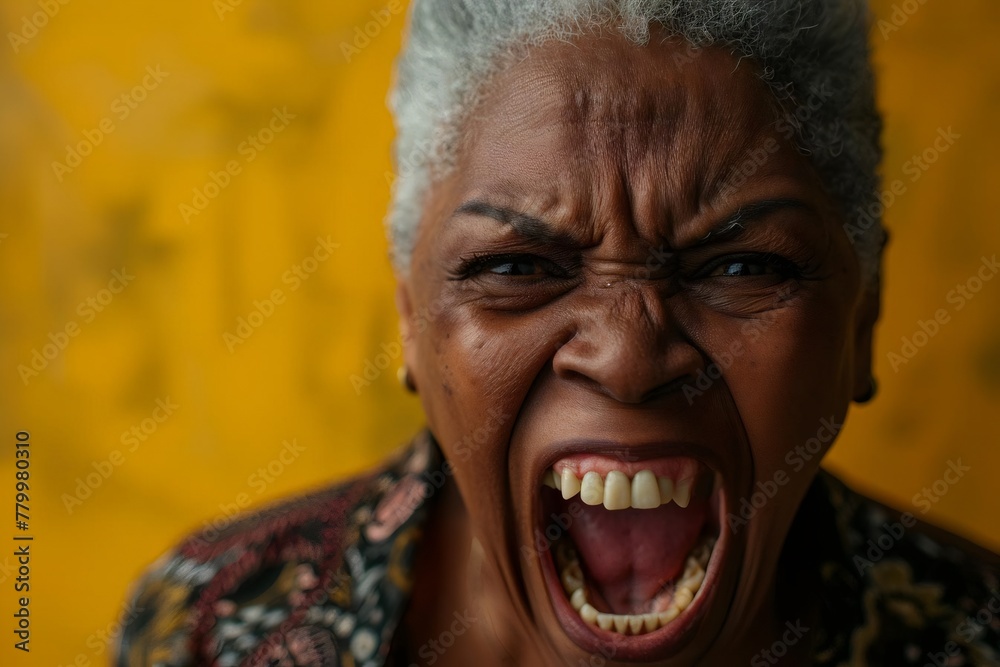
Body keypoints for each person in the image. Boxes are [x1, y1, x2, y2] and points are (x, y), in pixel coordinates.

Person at [115, 1, 1000, 665]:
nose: (626, 357)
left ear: (863, 317)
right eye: (515, 267)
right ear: (412, 320)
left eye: (741, 267)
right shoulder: (216, 626)